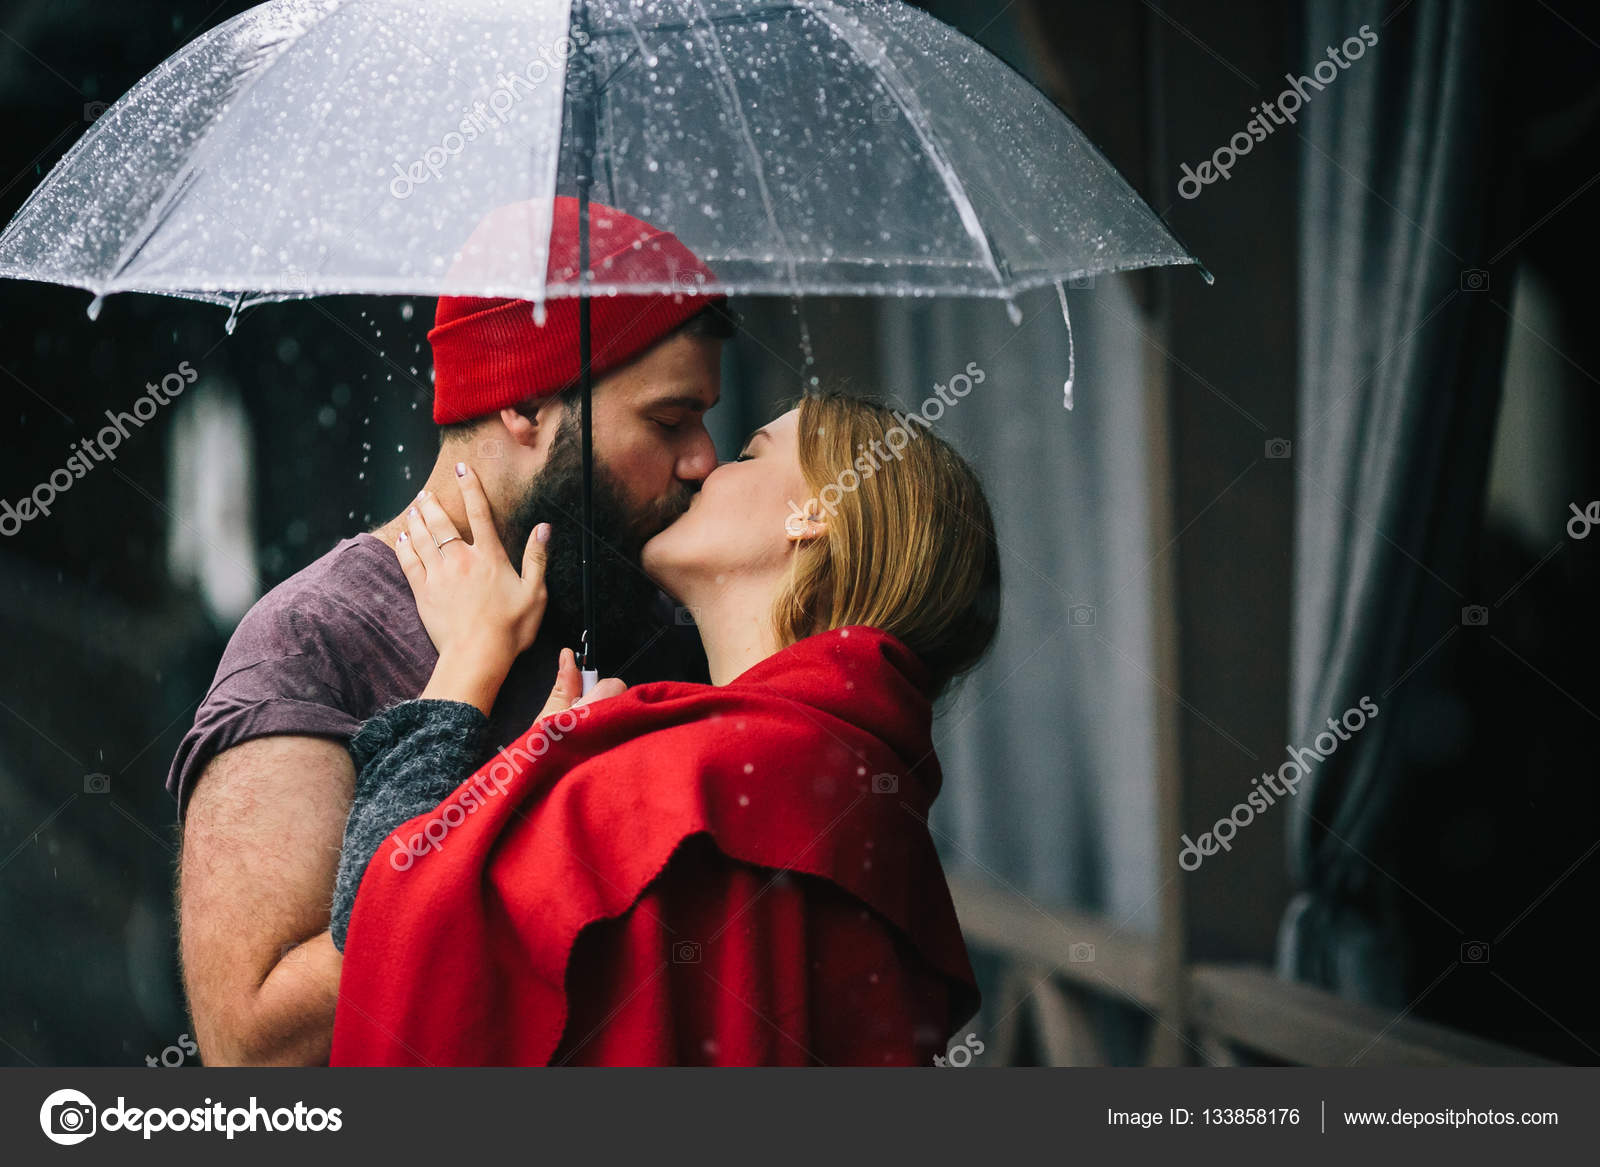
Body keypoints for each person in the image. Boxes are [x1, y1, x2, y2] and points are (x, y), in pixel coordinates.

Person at [172, 198, 734, 1065]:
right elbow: (256, 1052)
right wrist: (530, 807)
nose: (704, 459)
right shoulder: (313, 641)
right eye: (668, 421)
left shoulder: (656, 624)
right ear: (524, 402)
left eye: (704, 420)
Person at [326, 391, 1002, 1066]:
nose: (706, 463)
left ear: (815, 512)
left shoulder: (690, 772)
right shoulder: (856, 777)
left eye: (747, 453)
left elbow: (390, 938)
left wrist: (469, 665)